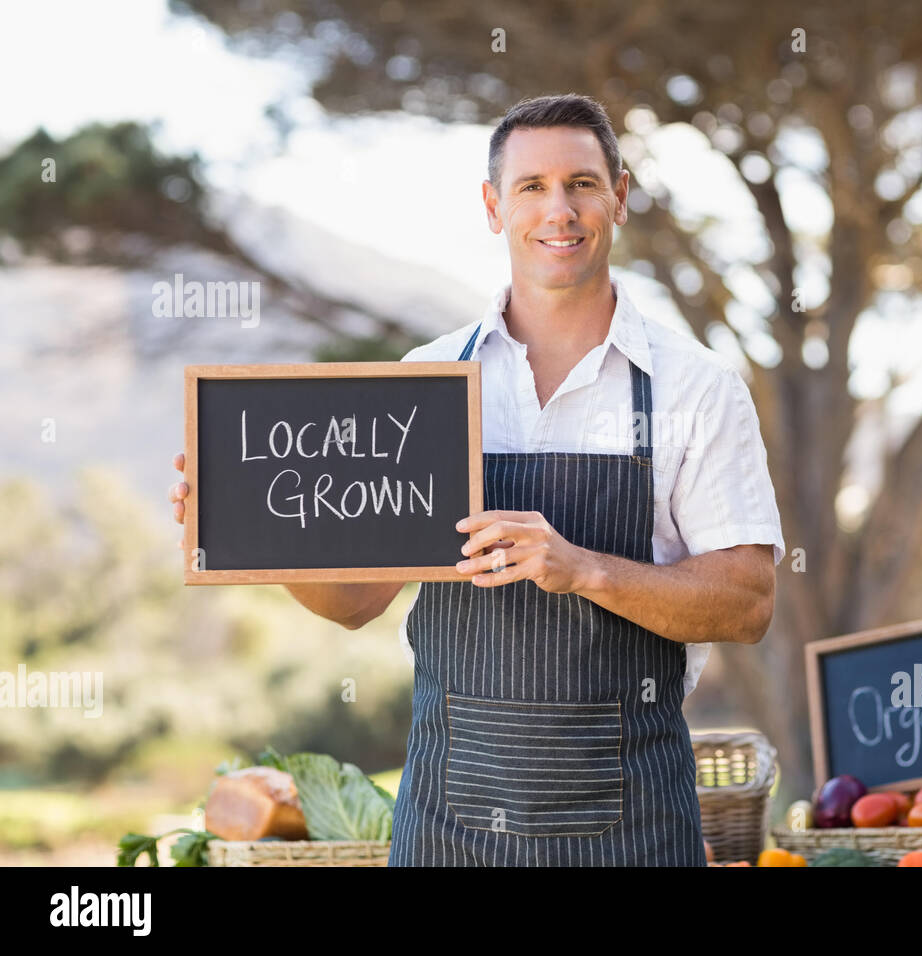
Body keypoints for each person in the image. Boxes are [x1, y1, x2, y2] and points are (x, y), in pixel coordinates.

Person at [169, 93, 784, 866]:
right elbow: (355, 603)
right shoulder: (426, 381)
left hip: (635, 822)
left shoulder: (695, 386)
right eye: (531, 187)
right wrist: (247, 524)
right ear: (495, 208)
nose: (558, 210)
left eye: (582, 184)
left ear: (619, 198)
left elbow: (748, 601)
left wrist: (585, 568)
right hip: (450, 825)